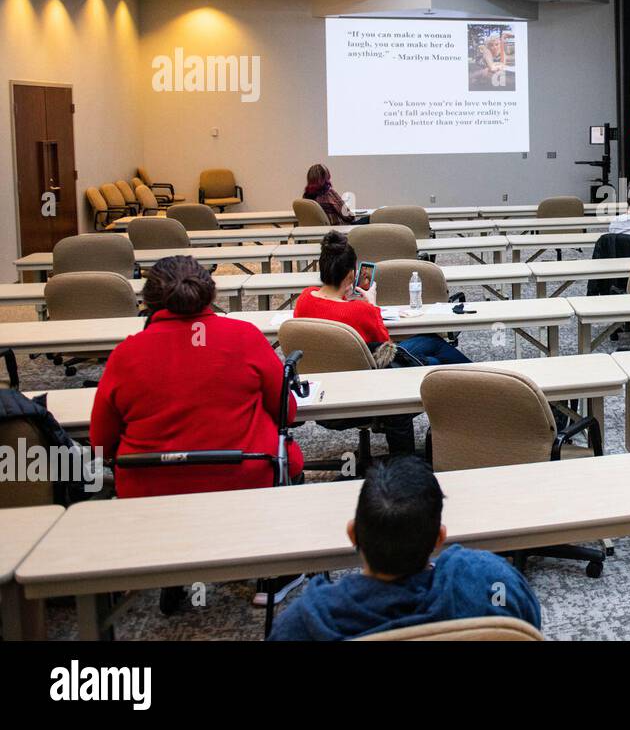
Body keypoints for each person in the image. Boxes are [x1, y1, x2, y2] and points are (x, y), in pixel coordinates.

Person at [90, 254, 306, 610]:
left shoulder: (126, 354)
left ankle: (173, 563)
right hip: (246, 475)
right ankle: (281, 569)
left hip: (151, 489)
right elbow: (287, 411)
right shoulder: (245, 337)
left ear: (148, 302)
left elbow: (100, 444)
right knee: (290, 457)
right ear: (209, 293)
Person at [269, 457, 541, 641]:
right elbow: (530, 628)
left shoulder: (302, 625)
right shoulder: (494, 582)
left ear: (352, 533)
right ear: (439, 538)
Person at [292, 232, 471, 453]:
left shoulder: (305, 299)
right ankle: (474, 382)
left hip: (325, 389)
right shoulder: (360, 310)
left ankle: (470, 379)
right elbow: (386, 348)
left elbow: (332, 312)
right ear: (351, 275)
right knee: (434, 357)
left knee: (429, 341)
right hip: (366, 389)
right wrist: (371, 304)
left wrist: (349, 299)